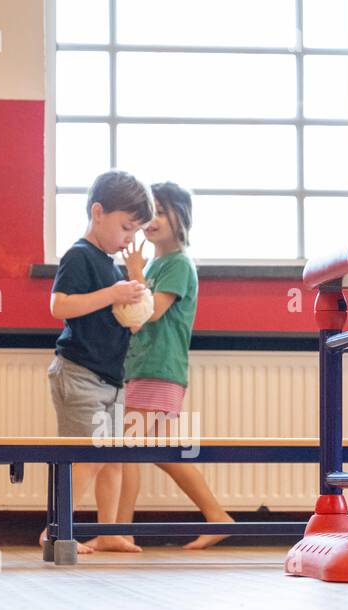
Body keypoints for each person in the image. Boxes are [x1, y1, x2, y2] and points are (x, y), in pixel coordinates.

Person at [116, 182, 232, 548]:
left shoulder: (177, 264)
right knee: (147, 450)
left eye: (162, 212)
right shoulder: (159, 264)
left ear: (181, 217)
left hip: (159, 368)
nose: (153, 220)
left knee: (131, 449)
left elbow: (153, 311)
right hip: (146, 367)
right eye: (151, 212)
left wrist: (134, 272)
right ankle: (215, 516)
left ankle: (118, 531)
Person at [45, 169, 153, 554]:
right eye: (125, 228)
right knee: (86, 457)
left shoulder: (110, 265)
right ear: (97, 213)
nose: (128, 239)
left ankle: (109, 531)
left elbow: (124, 319)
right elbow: (60, 305)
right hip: (78, 374)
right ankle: (56, 529)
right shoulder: (80, 256)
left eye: (134, 232)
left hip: (110, 377)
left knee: (112, 460)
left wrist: (131, 297)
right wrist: (112, 293)